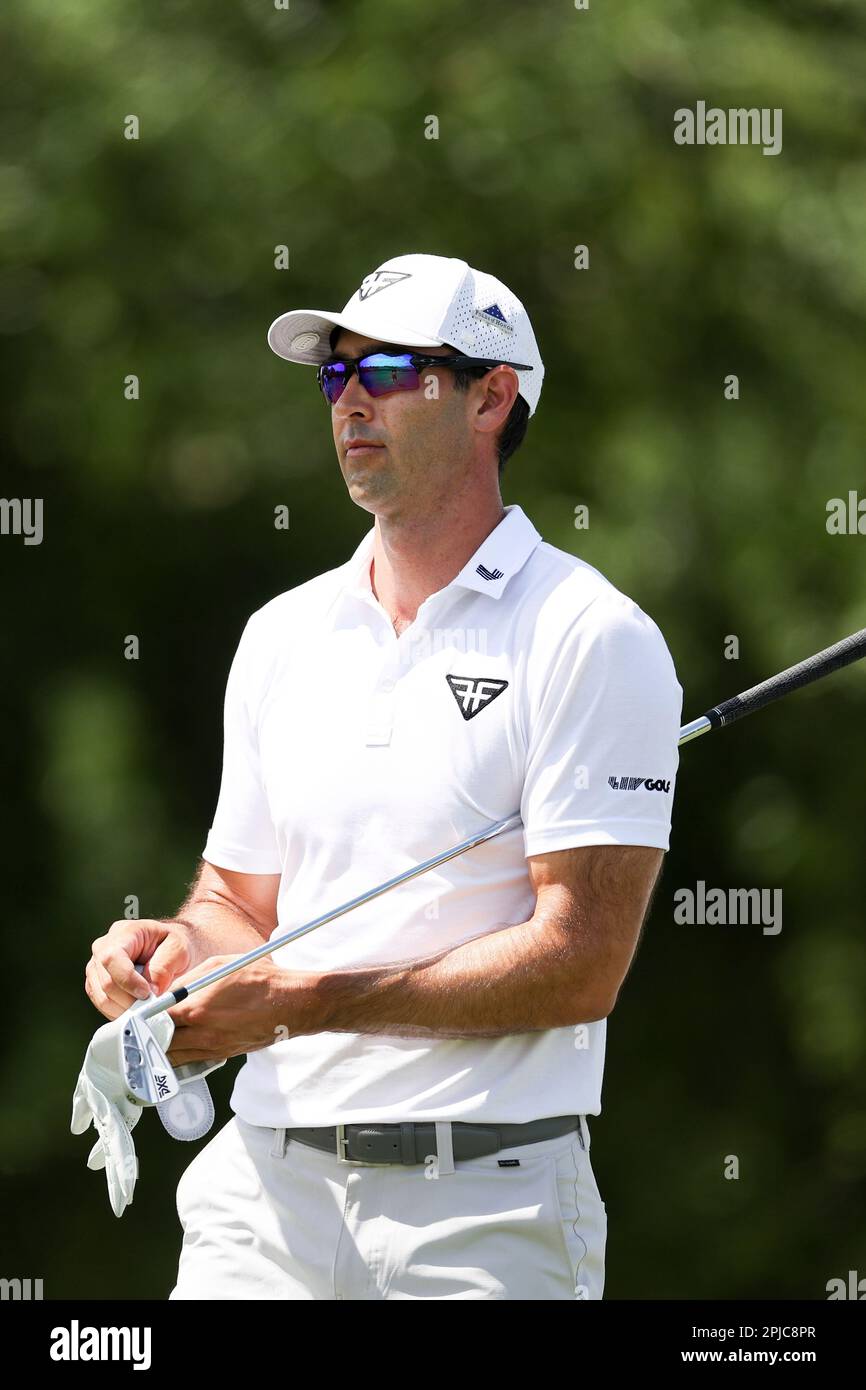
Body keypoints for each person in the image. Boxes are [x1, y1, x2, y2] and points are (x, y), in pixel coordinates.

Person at [85, 252, 683, 1300]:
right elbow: (240, 902)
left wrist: (299, 1004)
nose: (350, 399)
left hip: (481, 1212)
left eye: (391, 370)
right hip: (261, 1202)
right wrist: (176, 963)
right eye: (334, 376)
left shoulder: (591, 636)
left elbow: (580, 959)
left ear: (492, 396)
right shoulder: (281, 633)